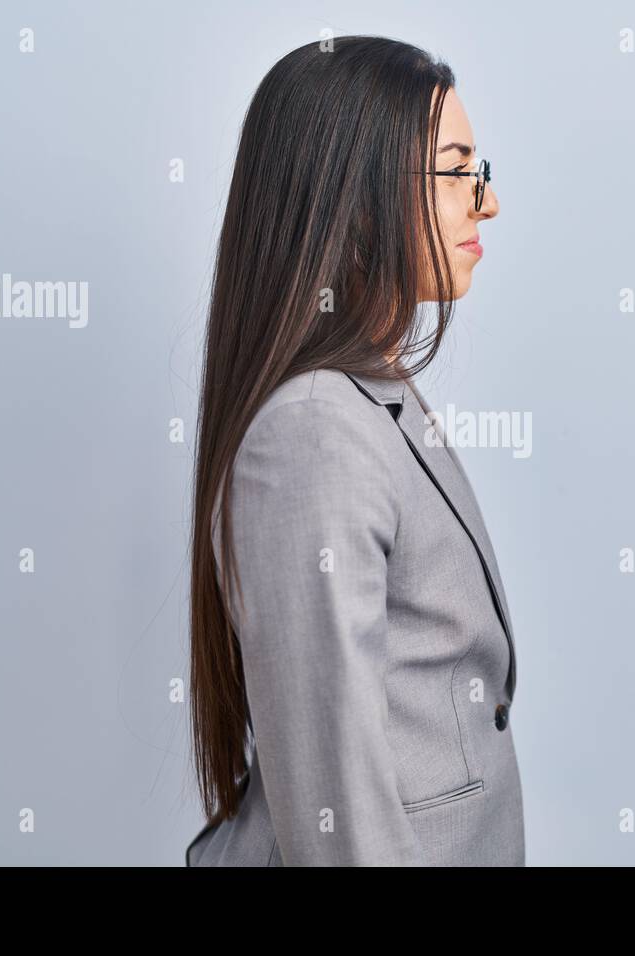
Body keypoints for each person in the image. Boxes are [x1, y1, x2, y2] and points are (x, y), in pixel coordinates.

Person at [184, 35, 524, 866]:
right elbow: (336, 814)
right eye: (456, 172)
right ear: (357, 192)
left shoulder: (373, 397)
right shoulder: (312, 431)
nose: (486, 204)